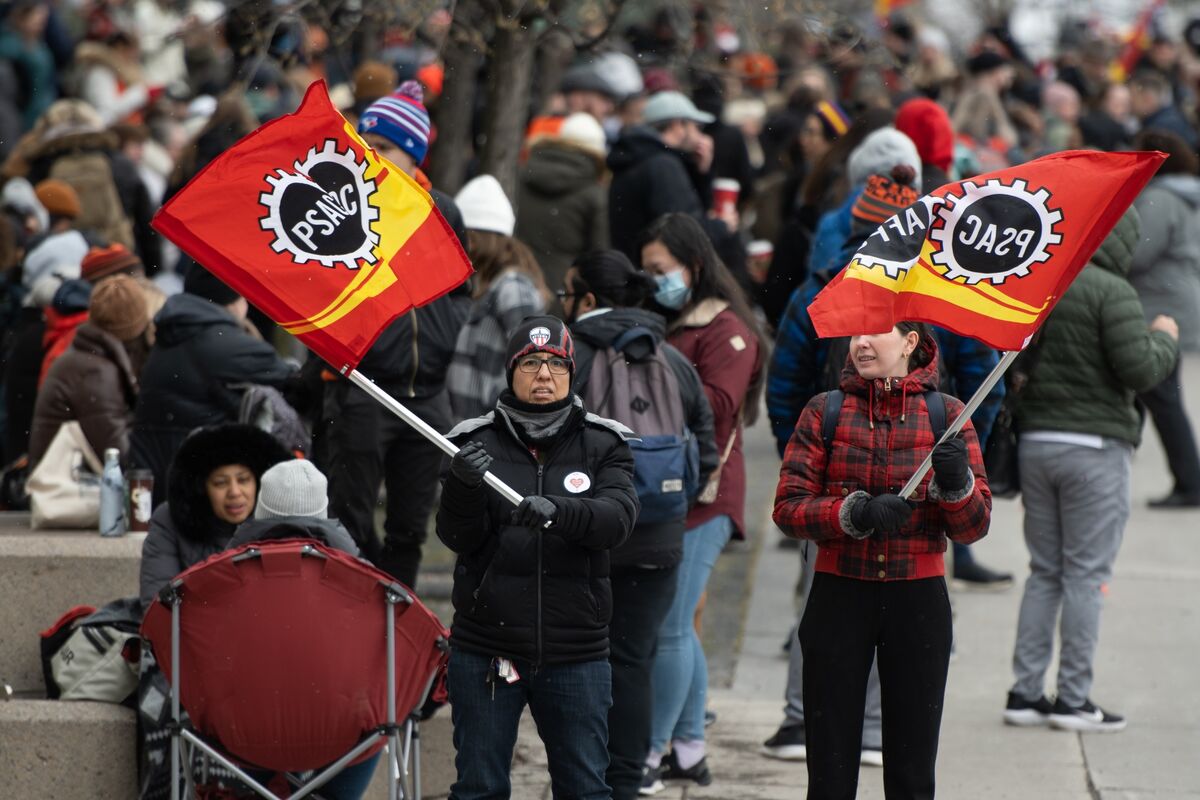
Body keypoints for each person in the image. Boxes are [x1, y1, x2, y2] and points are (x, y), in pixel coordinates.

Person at [775, 322, 991, 799]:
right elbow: (788, 508)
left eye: (875, 334)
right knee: (829, 770)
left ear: (911, 343)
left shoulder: (949, 416)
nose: (861, 344)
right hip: (837, 597)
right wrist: (852, 512)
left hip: (918, 603)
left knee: (913, 772)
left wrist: (957, 485)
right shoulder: (824, 411)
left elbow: (974, 527)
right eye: (855, 336)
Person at [437, 315, 639, 800]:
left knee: (584, 788)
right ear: (511, 372)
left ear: (571, 373)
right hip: (486, 648)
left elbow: (619, 519)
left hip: (577, 652)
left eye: (554, 364)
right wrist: (463, 487)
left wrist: (562, 511)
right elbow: (456, 536)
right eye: (530, 363)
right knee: (478, 787)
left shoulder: (604, 442)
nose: (543, 375)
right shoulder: (472, 440)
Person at [1005, 207, 1178, 733]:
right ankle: (1074, 699)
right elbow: (1141, 368)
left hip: (1035, 443)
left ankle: (1025, 692)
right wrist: (1165, 337)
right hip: (1094, 448)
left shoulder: (1045, 285)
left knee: (1045, 571)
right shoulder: (1113, 291)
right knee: (1086, 574)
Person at [561, 250, 718, 800]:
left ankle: (582, 782)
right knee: (633, 661)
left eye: (565, 296)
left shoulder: (568, 356)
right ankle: (626, 783)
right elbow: (705, 438)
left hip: (584, 532)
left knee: (576, 661)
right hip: (658, 535)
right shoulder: (670, 357)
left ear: (585, 300)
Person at [323, 80, 470, 586]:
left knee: (410, 524)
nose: (368, 154)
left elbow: (458, 289)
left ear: (411, 155)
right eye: (364, 143)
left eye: (382, 146)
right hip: (365, 387)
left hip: (425, 394)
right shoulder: (346, 202)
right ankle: (358, 610)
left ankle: (400, 613)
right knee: (352, 518)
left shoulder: (443, 213)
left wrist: (442, 336)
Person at [638, 213, 764, 788]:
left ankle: (650, 751)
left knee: (669, 624)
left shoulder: (725, 329)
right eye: (646, 272)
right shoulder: (676, 322)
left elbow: (716, 405)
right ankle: (688, 747)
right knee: (680, 625)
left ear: (693, 266)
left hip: (707, 495)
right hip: (676, 492)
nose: (653, 281)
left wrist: (652, 369)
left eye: (660, 270)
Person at [129, 267, 295, 504]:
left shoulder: (175, 329)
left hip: (155, 476)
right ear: (233, 301)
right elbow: (291, 382)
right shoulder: (223, 342)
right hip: (198, 480)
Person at [139, 424, 292, 610]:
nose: (235, 492)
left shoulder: (280, 522)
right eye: (220, 483)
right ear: (201, 489)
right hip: (196, 632)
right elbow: (158, 605)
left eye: (243, 480)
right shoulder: (169, 520)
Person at [1128, 129, 1200, 508]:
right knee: (1149, 391)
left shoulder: (1160, 198)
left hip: (1157, 305)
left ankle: (1190, 482)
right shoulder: (1188, 195)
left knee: (1161, 396)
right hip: (1176, 299)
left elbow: (1138, 254)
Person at [446, 174, 548, 420]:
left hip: (492, 424)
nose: (461, 243)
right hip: (468, 421)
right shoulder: (485, 283)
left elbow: (532, 358)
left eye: (466, 236)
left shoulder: (512, 287)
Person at [29, 275, 147, 467]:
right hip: (70, 489)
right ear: (135, 329)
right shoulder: (95, 373)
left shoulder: (84, 357)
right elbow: (118, 458)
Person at [607, 91, 738, 264]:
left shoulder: (639, 158)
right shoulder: (663, 165)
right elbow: (684, 234)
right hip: (652, 270)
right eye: (696, 127)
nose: (701, 136)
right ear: (677, 125)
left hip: (638, 266)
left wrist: (701, 173)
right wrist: (722, 227)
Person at [515, 112, 610, 292]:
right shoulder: (594, 195)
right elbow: (599, 257)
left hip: (516, 284)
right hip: (564, 294)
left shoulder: (522, 177)